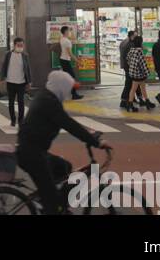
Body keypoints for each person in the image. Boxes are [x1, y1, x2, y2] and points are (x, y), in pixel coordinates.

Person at [16, 71, 111, 215]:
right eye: (67, 88)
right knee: (52, 204)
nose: (67, 93)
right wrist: (95, 142)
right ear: (61, 87)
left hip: (33, 151)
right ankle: (52, 205)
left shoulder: (47, 96)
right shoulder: (49, 102)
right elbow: (69, 125)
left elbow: (68, 123)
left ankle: (55, 201)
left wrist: (90, 136)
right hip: (32, 155)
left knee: (64, 167)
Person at [0, 37, 32, 126]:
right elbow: (4, 66)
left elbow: (28, 69)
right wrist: (2, 78)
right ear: (14, 45)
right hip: (10, 82)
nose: (20, 47)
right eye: (18, 45)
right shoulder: (8, 54)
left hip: (21, 82)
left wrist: (29, 82)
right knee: (11, 102)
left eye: (22, 45)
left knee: (21, 102)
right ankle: (13, 119)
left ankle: (21, 120)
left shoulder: (25, 55)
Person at [127, 36, 154, 109]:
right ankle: (130, 104)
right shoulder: (139, 51)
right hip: (139, 74)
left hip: (133, 72)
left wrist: (132, 66)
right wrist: (147, 73)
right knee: (135, 88)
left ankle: (146, 101)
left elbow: (128, 59)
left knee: (141, 87)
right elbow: (142, 63)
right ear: (140, 42)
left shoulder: (132, 50)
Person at [58, 26, 84, 100]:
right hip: (65, 61)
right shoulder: (67, 41)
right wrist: (78, 61)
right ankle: (74, 94)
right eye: (69, 31)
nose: (70, 32)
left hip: (62, 60)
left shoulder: (62, 39)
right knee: (72, 77)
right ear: (65, 32)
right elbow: (70, 54)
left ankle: (69, 93)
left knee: (68, 78)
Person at [118, 30, 138, 112]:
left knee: (130, 83)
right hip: (129, 66)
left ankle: (130, 98)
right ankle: (124, 100)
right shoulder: (130, 44)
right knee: (129, 83)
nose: (136, 38)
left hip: (125, 65)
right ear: (132, 36)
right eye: (135, 36)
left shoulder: (123, 42)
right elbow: (129, 57)